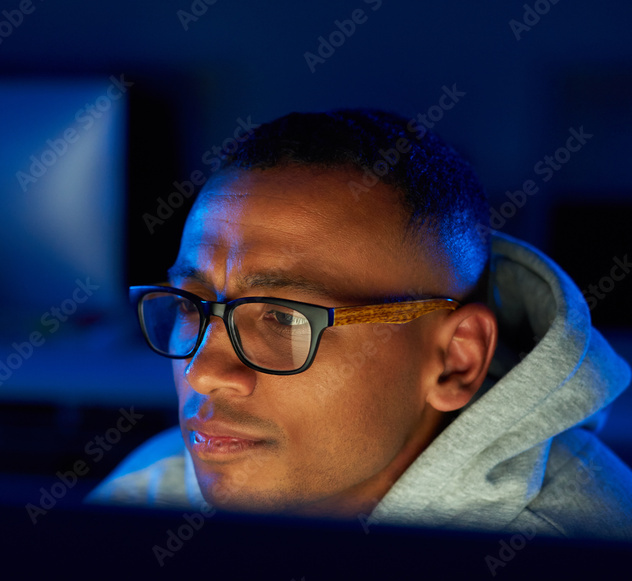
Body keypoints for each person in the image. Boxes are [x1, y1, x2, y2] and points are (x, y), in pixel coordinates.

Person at [86, 109, 632, 540]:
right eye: (190, 305)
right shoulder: (151, 495)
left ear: (455, 361)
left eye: (281, 316)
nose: (204, 372)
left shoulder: (573, 572)